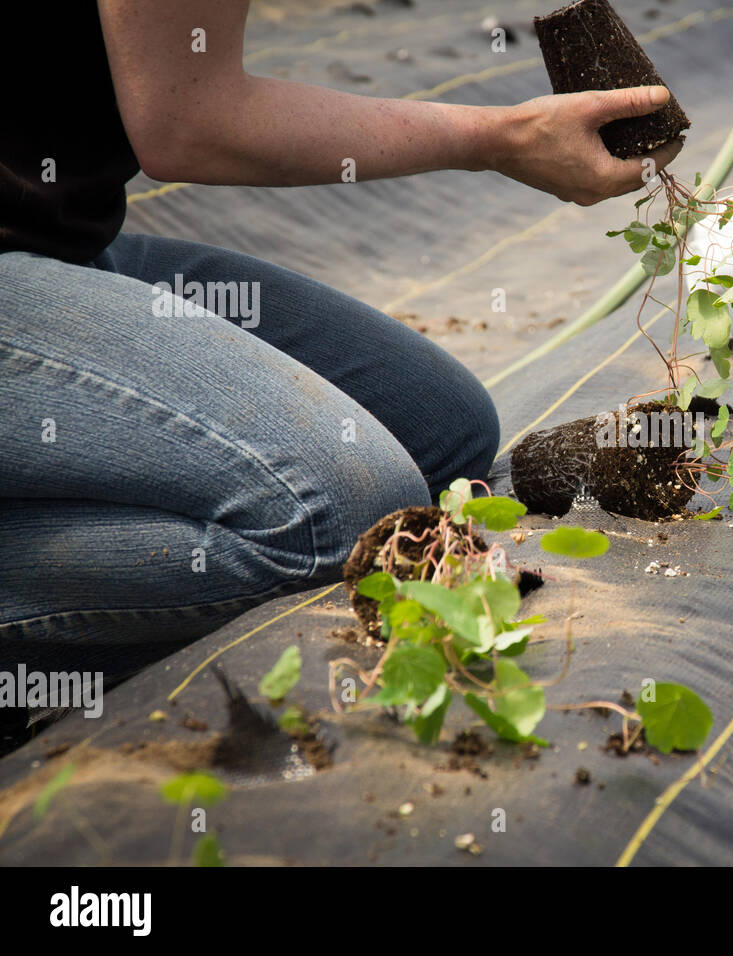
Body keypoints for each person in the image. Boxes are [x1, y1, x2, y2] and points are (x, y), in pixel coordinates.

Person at [0, 1, 683, 687]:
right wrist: (503, 138)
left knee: (443, 432)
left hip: (62, 241)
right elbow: (189, 125)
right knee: (337, 516)